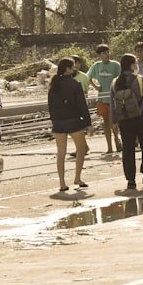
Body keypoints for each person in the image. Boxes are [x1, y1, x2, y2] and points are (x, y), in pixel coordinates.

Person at [110, 54, 143, 190]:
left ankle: (131, 181)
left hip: (124, 121)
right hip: (141, 118)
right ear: (132, 65)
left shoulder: (115, 82)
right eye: (135, 63)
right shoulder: (140, 80)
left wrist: (113, 122)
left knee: (128, 150)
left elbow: (112, 104)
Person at [48, 57, 91, 192]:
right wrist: (88, 123)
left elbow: (50, 106)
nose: (75, 69)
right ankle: (77, 178)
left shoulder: (53, 85)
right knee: (81, 149)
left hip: (58, 122)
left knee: (61, 153)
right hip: (73, 121)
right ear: (67, 69)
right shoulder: (74, 84)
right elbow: (82, 105)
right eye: (72, 67)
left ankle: (62, 183)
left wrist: (54, 120)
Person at [87, 44, 123, 154]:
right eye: (103, 53)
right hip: (102, 99)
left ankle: (118, 141)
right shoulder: (96, 66)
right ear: (99, 55)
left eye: (107, 52)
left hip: (114, 99)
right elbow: (87, 77)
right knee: (106, 123)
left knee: (115, 123)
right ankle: (109, 147)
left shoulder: (115, 65)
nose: (106, 55)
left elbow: (121, 79)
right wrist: (96, 86)